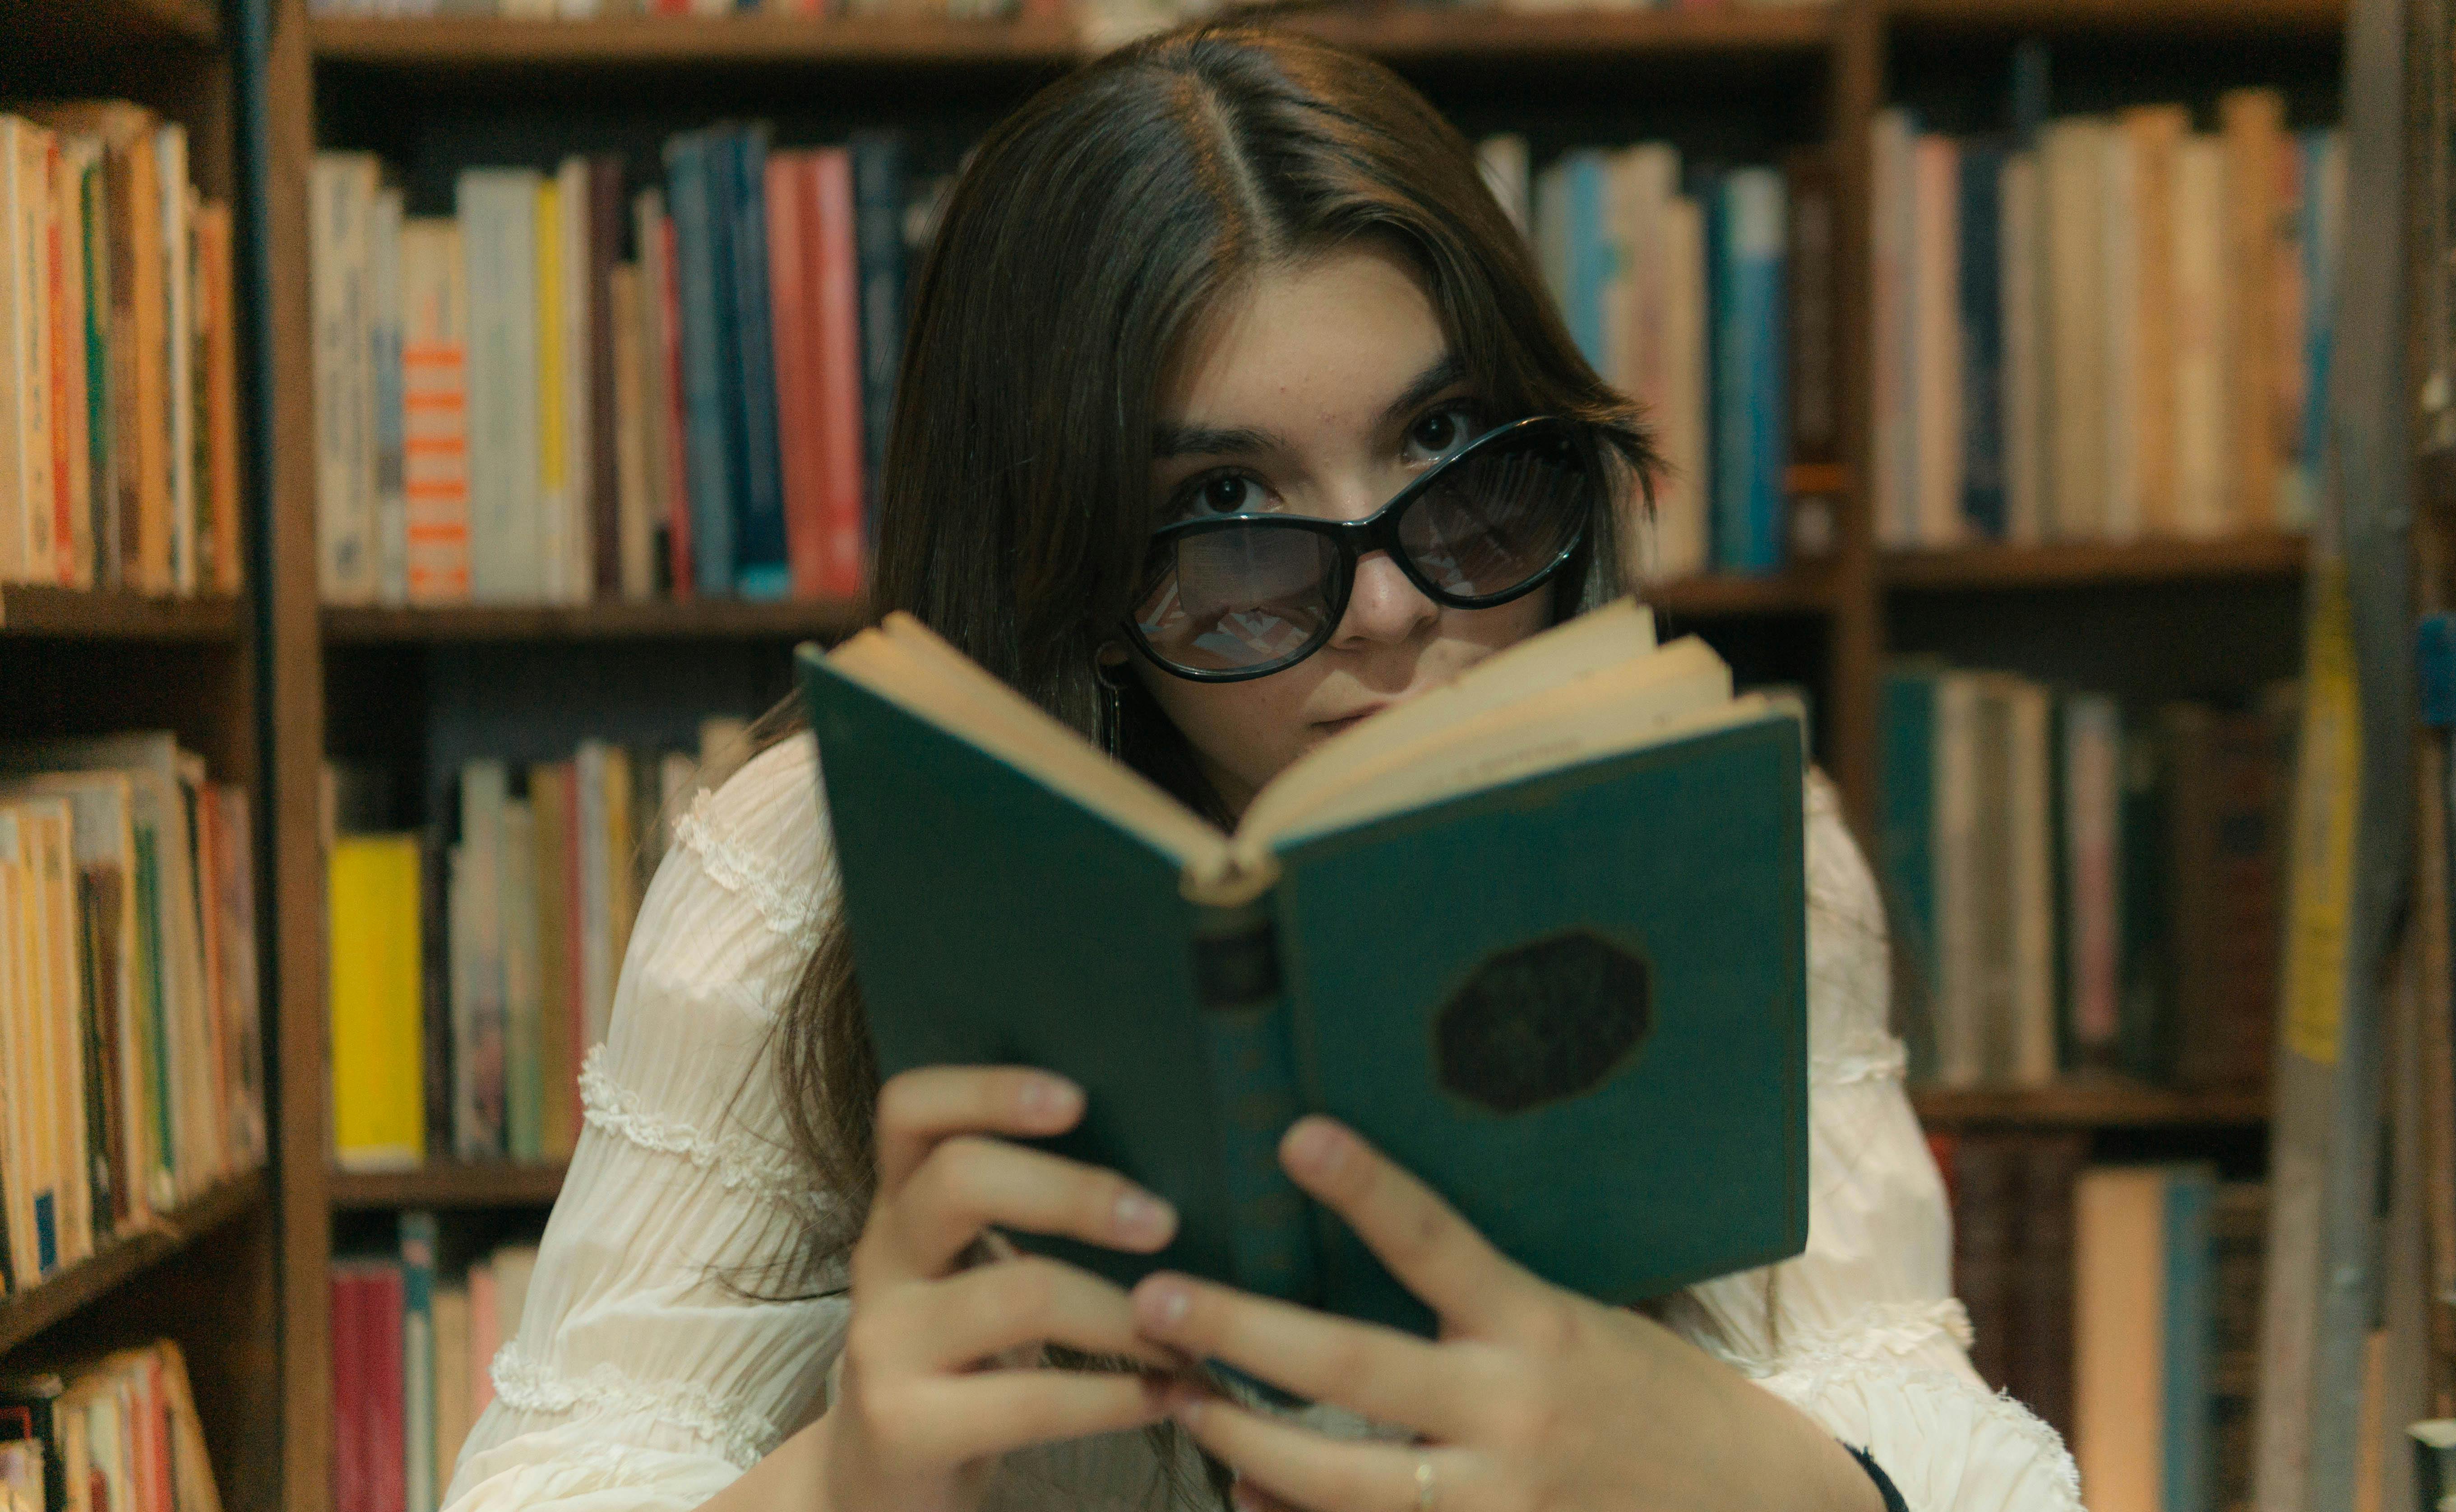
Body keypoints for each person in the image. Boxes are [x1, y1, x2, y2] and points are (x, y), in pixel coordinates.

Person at [439, 23, 2082, 1512]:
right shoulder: (810, 876)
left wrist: (1747, 1475)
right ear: (1073, 589)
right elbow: (558, 1480)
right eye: (1226, 511)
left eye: (1450, 456)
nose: (1390, 606)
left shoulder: (1725, 842)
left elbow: (1954, 1448)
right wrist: (845, 1482)